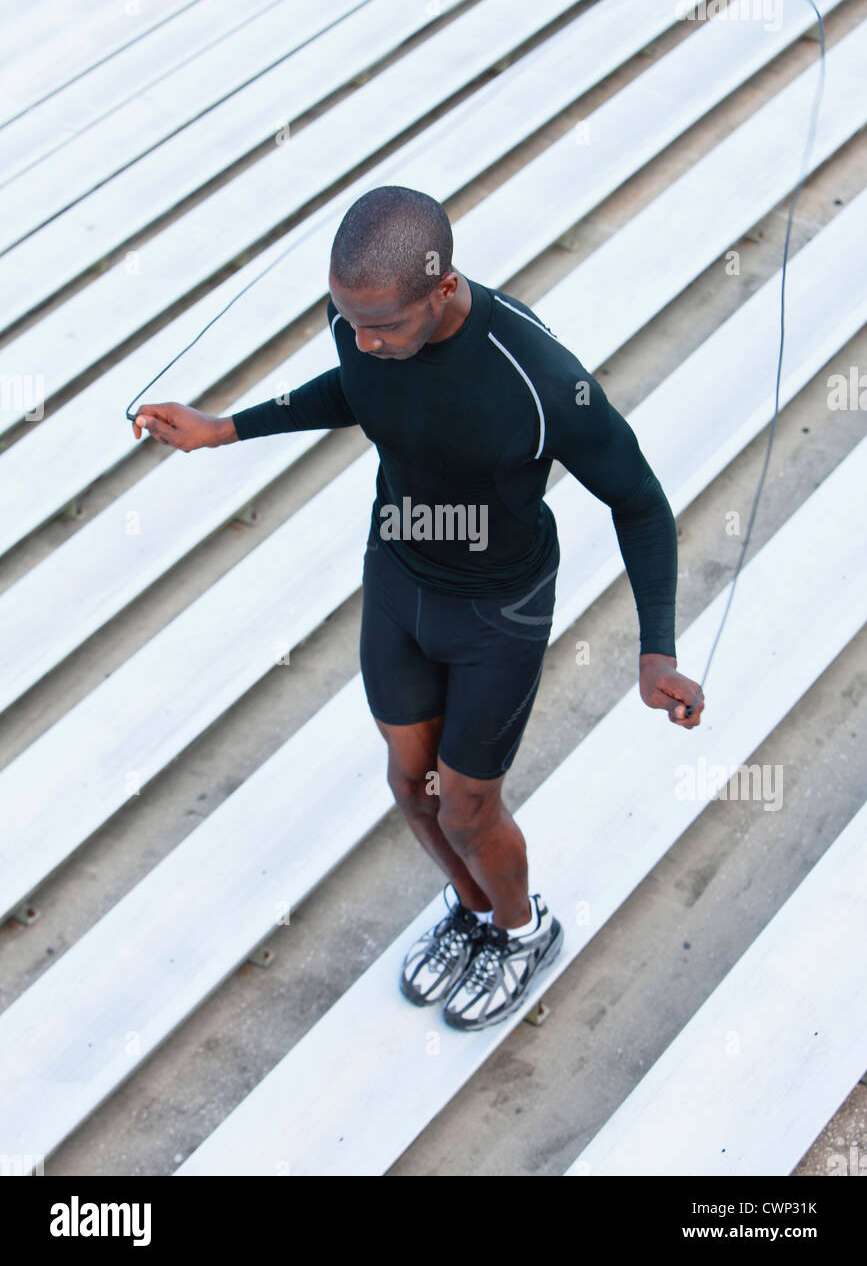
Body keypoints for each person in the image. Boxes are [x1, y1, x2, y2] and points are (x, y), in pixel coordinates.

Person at [132, 185, 705, 1032]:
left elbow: (641, 503)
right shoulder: (363, 324)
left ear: (442, 290)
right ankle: (473, 914)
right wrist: (226, 429)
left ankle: (521, 930)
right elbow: (358, 387)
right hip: (397, 581)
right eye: (347, 320)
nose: (361, 339)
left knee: (468, 806)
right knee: (411, 782)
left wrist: (655, 648)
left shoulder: (540, 381)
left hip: (495, 615)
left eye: (382, 325)